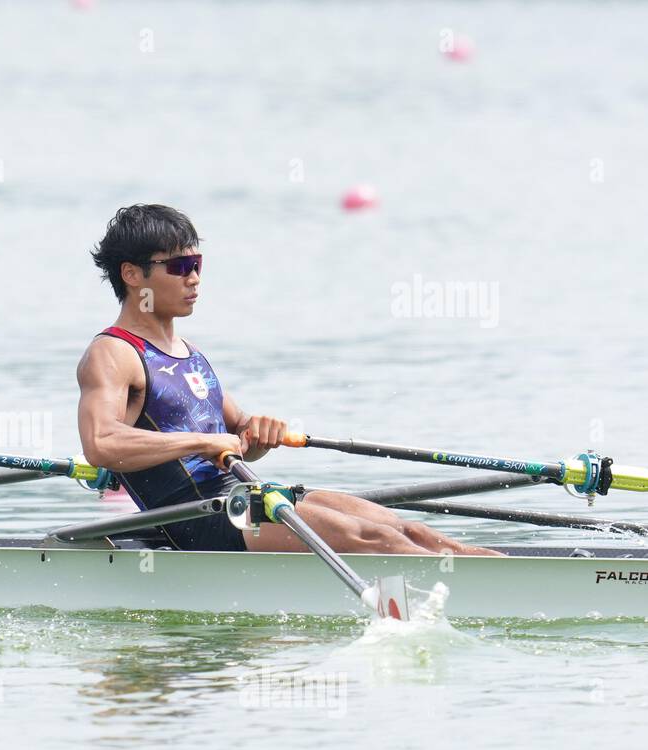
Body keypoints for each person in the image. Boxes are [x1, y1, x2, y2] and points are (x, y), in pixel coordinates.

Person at [76, 203, 497, 556]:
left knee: (410, 531)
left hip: (243, 499)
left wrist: (258, 432)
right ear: (132, 275)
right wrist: (203, 442)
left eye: (197, 263)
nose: (194, 278)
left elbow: (238, 434)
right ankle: (483, 597)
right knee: (372, 539)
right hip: (195, 521)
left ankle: (503, 572)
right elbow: (102, 444)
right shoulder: (113, 353)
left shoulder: (189, 352)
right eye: (179, 266)